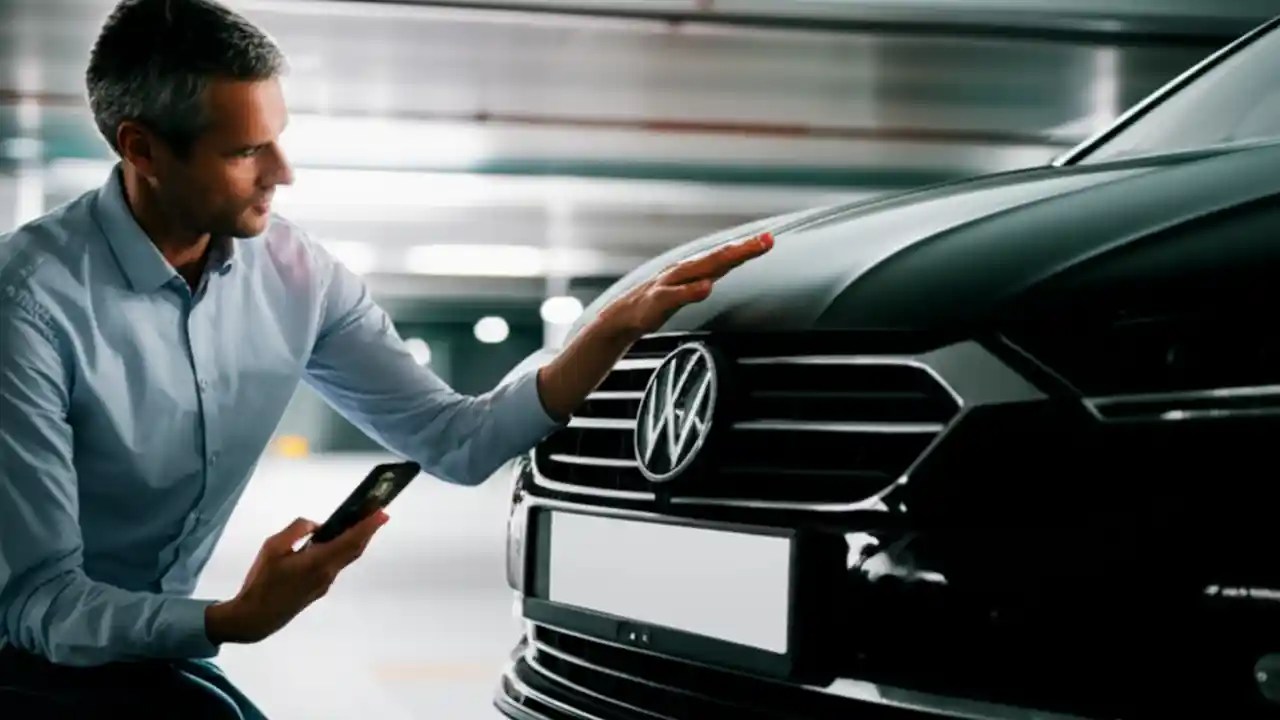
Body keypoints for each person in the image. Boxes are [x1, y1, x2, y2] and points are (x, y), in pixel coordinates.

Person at [0, 0, 773, 716]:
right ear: (141, 148)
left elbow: (458, 441)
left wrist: (612, 328)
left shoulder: (297, 276)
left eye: (278, 138)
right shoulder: (27, 305)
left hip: (142, 655)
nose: (283, 173)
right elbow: (41, 604)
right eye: (245, 150)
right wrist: (229, 619)